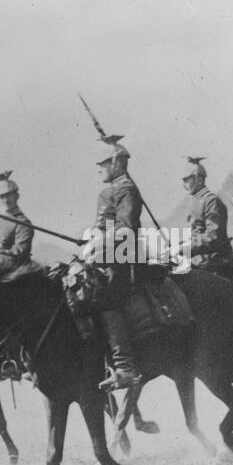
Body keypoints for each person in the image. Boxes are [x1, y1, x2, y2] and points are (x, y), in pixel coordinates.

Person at [87, 143, 141, 391]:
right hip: (104, 256)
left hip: (120, 261)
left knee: (107, 301)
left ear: (117, 164)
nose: (99, 169)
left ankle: (125, 367)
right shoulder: (109, 191)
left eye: (104, 164)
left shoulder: (126, 190)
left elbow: (126, 229)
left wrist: (101, 240)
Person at [180, 156, 233, 278]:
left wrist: (184, 248)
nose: (183, 184)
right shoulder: (196, 201)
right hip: (201, 264)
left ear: (199, 180)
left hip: (217, 265)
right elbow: (196, 235)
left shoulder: (211, 202)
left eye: (186, 180)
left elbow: (212, 237)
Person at [0, 171, 33, 273]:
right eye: (2, 197)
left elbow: (21, 251)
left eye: (8, 195)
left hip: (16, 267)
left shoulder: (23, 222)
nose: (5, 200)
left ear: (16, 196)